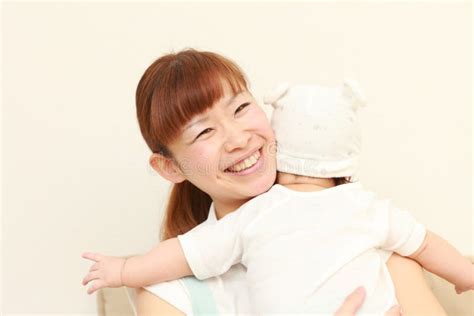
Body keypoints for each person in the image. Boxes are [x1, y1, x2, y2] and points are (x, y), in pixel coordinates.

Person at [82, 49, 447, 315]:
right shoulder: (169, 297)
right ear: (169, 168)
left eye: (241, 108)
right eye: (204, 131)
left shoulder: (372, 244)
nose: (238, 139)